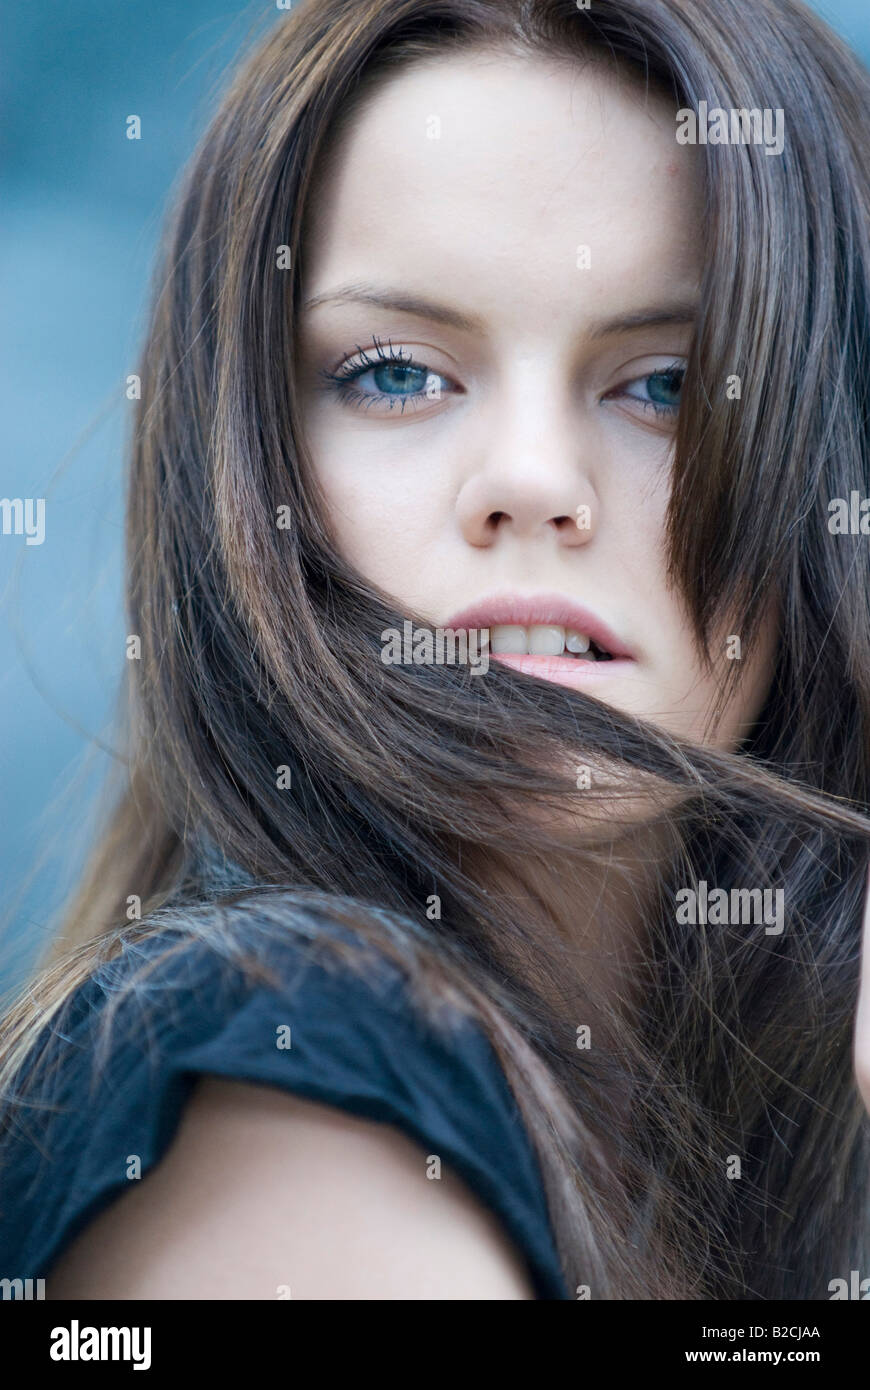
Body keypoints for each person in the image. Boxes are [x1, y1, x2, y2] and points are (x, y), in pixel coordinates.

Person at [1, 0, 869, 1300]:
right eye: (396, 373)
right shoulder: (300, 1052)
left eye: (670, 386)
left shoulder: (744, 1164)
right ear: (247, 456)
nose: (529, 480)